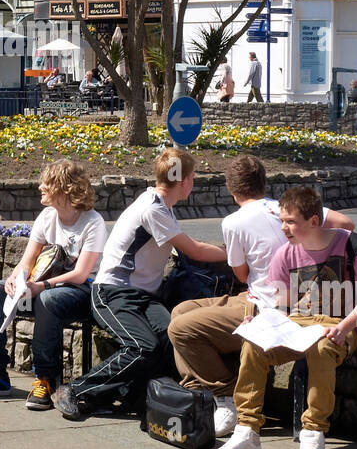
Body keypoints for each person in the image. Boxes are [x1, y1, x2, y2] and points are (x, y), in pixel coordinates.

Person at [168, 156, 354, 437]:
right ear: (263, 184)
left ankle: (225, 395)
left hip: (265, 306)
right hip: (256, 295)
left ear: (231, 190)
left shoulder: (234, 222)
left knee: (180, 329)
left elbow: (241, 274)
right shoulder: (287, 210)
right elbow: (346, 223)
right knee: (180, 310)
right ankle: (208, 389)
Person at [210, 186, 357, 449]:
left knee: (322, 347)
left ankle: (313, 433)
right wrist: (260, 321)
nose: (284, 228)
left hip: (338, 326)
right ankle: (247, 433)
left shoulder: (348, 243)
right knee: (253, 345)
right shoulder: (284, 254)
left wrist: (345, 325)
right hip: (299, 325)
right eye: (282, 220)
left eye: (290, 221)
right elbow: (282, 306)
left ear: (313, 222)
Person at [54, 148, 228, 421]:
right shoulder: (153, 209)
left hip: (145, 298)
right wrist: (238, 255)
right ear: (184, 181)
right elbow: (195, 251)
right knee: (141, 347)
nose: (193, 183)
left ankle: (133, 396)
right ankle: (75, 390)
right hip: (113, 293)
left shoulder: (162, 207)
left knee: (172, 338)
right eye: (192, 177)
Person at [0, 160, 107, 410]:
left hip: (80, 293)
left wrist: (42, 287)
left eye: (47, 183)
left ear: (64, 188)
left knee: (49, 300)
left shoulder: (93, 222)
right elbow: (27, 262)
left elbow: (81, 274)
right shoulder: (47, 216)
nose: (40, 187)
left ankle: (46, 379)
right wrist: (15, 279)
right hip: (41, 287)